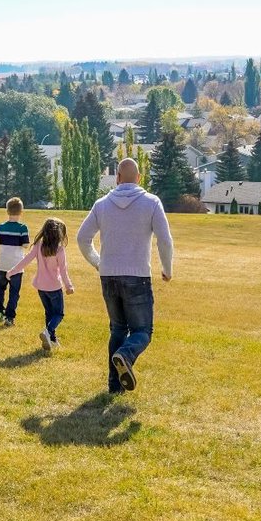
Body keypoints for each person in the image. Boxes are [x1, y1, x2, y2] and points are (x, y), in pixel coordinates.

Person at [76, 158, 173, 392]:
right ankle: (126, 355)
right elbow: (164, 240)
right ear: (139, 178)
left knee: (118, 329)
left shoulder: (101, 204)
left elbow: (82, 238)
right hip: (137, 275)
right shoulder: (151, 202)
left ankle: (115, 385)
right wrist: (167, 269)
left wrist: (97, 262)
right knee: (142, 331)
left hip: (108, 275)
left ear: (117, 178)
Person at [6, 217, 75, 353]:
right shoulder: (59, 250)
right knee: (59, 314)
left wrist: (12, 271)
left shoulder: (39, 245)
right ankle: (48, 332)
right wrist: (69, 286)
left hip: (41, 288)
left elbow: (25, 260)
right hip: (54, 288)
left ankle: (52, 339)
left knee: (49, 313)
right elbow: (63, 271)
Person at [0, 196, 30, 326]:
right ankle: (9, 318)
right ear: (21, 212)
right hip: (17, 267)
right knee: (14, 292)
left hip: (2, 265)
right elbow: (26, 245)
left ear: (7, 211)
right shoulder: (23, 228)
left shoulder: (1, 227)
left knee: (0, 289)